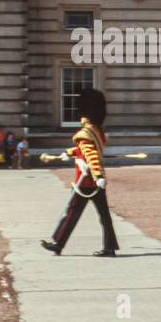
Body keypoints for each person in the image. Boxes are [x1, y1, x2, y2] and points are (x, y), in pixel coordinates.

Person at [42, 87, 119, 258]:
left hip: (85, 182)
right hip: (96, 181)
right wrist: (67, 153)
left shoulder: (84, 133)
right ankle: (110, 247)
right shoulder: (97, 132)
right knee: (104, 216)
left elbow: (91, 156)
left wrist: (97, 175)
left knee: (71, 213)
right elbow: (82, 150)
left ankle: (58, 244)